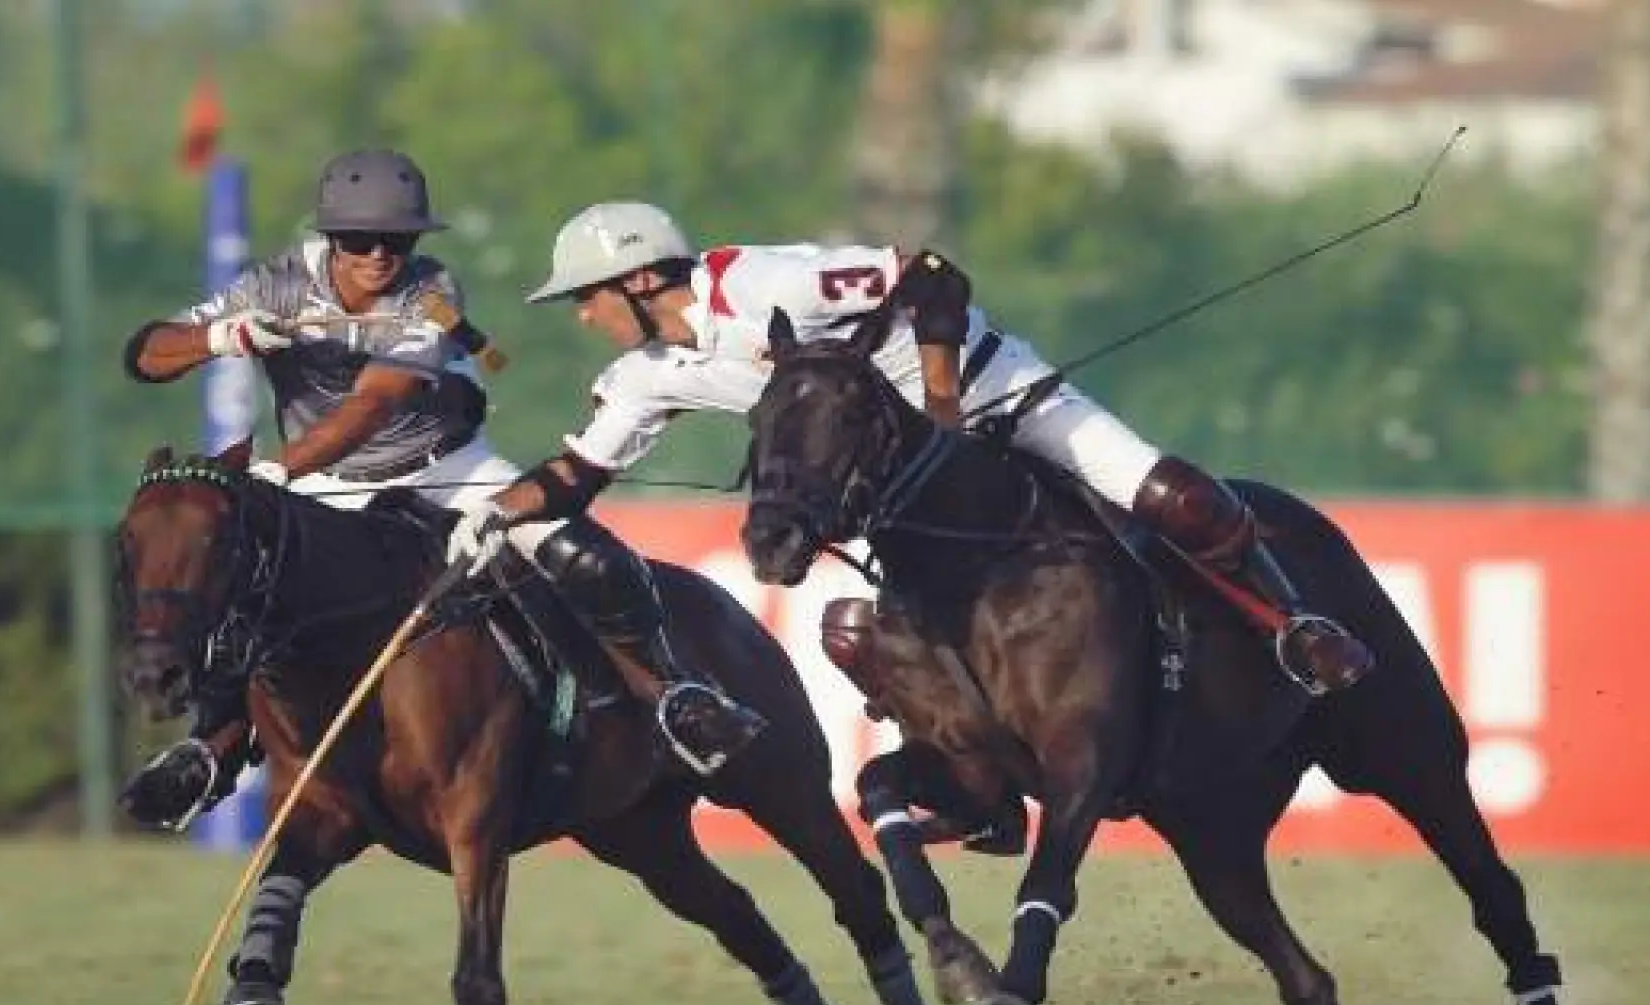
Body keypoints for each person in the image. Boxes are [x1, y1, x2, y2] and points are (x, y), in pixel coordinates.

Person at [445, 201, 1375, 715]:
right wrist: (491, 513)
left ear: (642, 279)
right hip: (904, 486)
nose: (580, 314)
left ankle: (1293, 624)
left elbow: (932, 276)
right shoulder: (646, 374)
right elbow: (575, 476)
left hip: (995, 392)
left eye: (586, 295)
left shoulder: (764, 280)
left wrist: (942, 404)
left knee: (1172, 495)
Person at [117, 155, 763, 832]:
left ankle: (678, 698)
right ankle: (209, 751)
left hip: (444, 470)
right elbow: (145, 354)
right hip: (327, 489)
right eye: (359, 242)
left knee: (578, 550)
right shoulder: (275, 286)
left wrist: (283, 470)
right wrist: (221, 336)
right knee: (251, 591)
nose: (378, 256)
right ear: (330, 238)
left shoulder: (428, 292)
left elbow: (372, 406)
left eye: (397, 241)